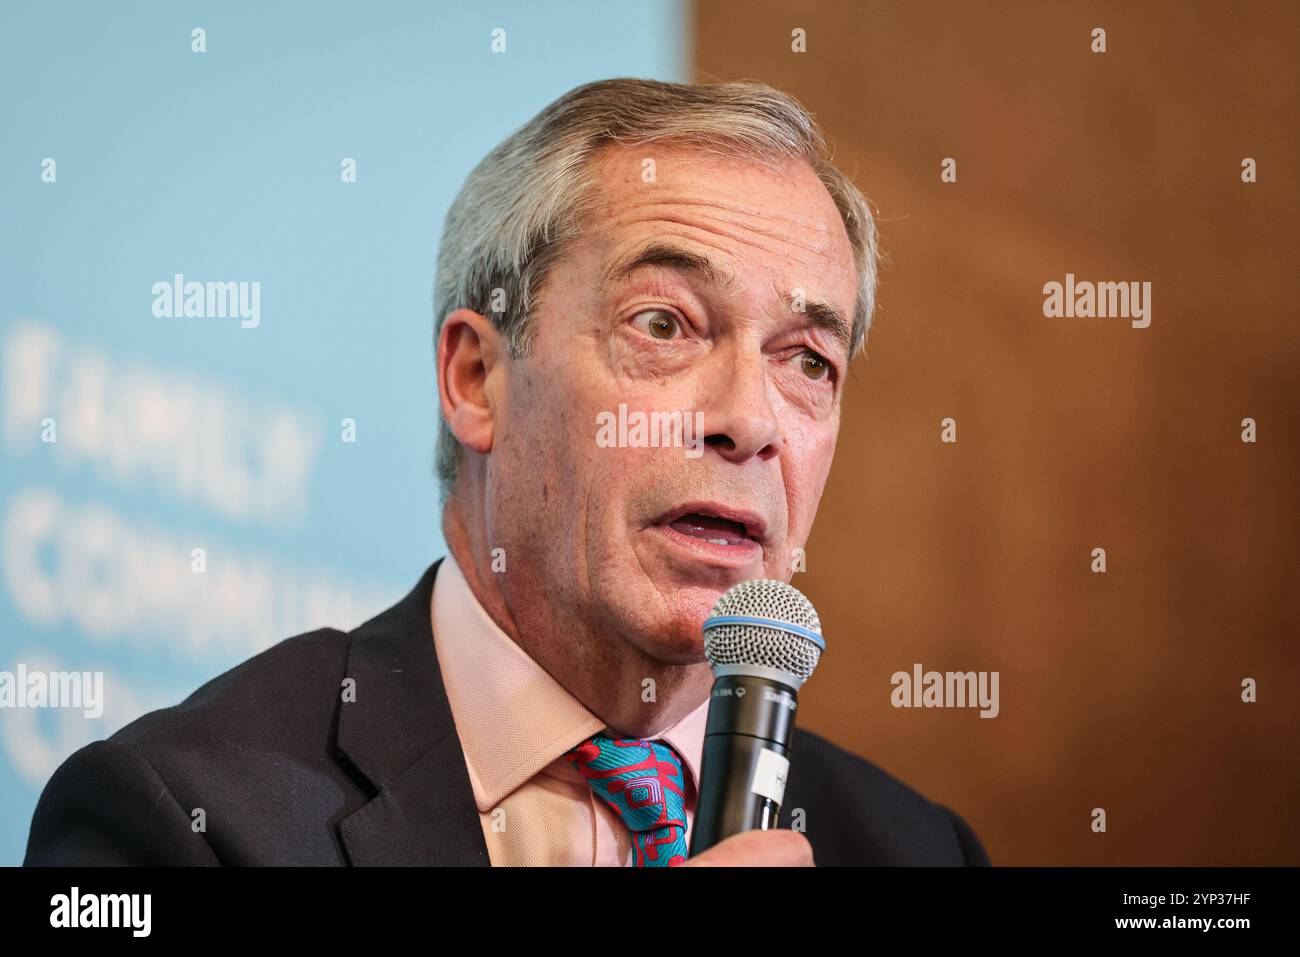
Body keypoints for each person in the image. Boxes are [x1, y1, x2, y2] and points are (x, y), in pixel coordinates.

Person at [24, 78, 989, 867]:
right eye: (664, 324)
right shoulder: (184, 817)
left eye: (808, 361)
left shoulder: (917, 848)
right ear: (476, 378)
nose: (749, 421)